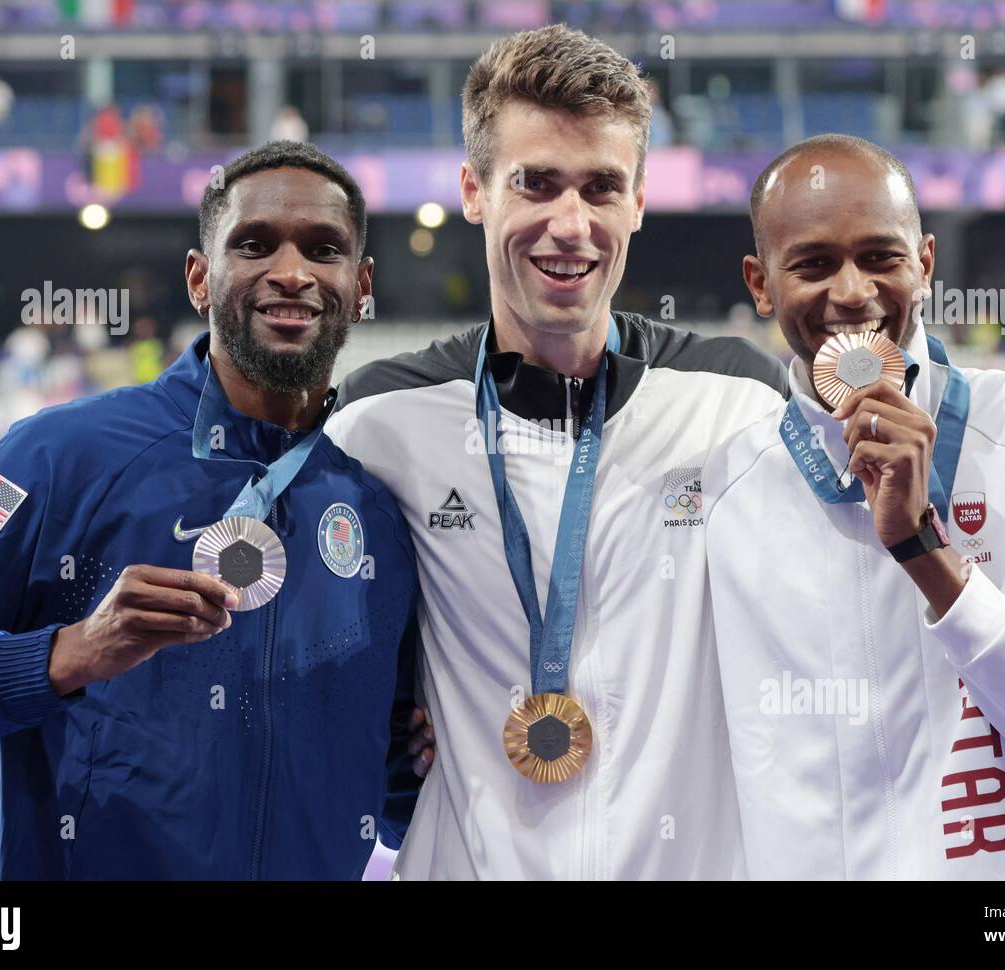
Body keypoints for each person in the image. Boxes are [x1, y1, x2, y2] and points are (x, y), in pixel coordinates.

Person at [0, 141, 433, 879]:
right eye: (255, 245)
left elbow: (384, 799)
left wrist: (410, 767)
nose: (292, 273)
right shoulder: (57, 456)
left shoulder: (378, 519)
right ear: (201, 279)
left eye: (323, 249)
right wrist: (62, 657)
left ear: (360, 287)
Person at [325, 25, 789, 879]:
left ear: (639, 201)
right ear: (474, 190)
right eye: (535, 183)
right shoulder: (377, 420)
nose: (570, 225)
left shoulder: (742, 400)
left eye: (602, 188)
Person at [704, 134, 1005, 878]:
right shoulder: (725, 487)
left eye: (880, 257)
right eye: (814, 263)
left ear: (923, 264)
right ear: (761, 284)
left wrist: (929, 555)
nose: (852, 291)